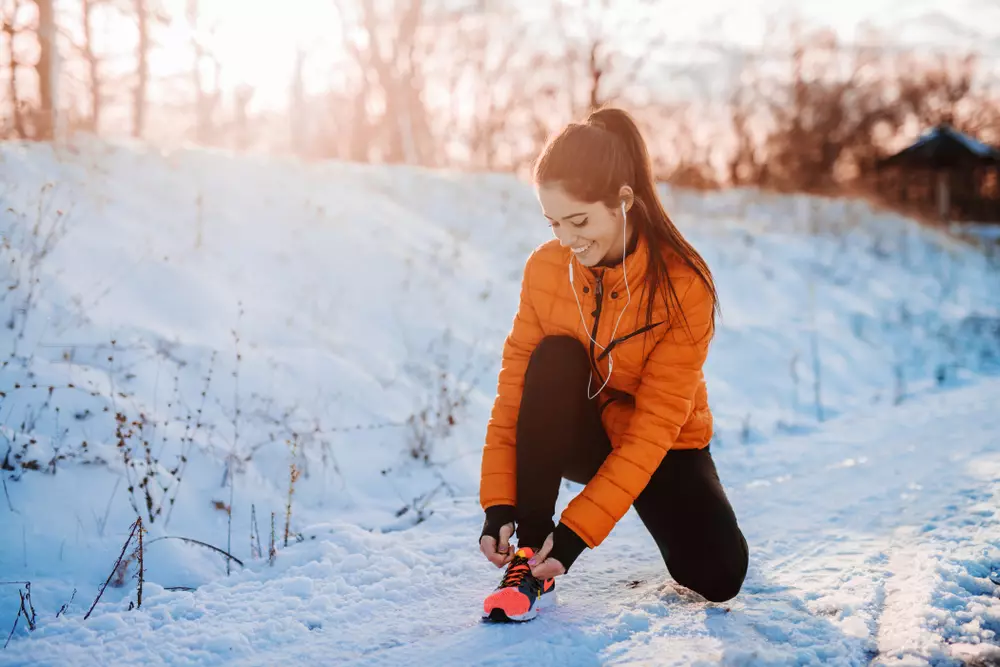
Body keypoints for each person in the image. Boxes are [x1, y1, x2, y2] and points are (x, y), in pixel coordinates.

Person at [478, 107, 749, 623]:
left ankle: (671, 523)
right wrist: (499, 504)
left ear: (623, 201)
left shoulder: (684, 284)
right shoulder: (545, 269)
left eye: (578, 221)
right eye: (554, 222)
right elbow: (515, 389)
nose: (566, 239)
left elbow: (654, 426)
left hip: (661, 442)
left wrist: (577, 536)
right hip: (581, 430)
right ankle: (528, 555)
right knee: (552, 359)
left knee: (718, 577)